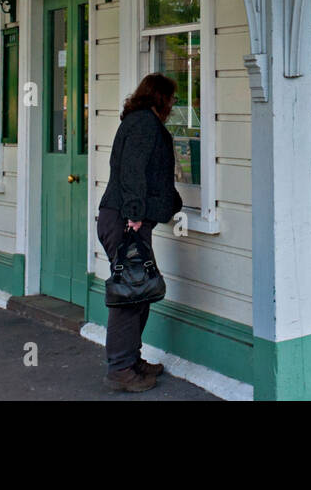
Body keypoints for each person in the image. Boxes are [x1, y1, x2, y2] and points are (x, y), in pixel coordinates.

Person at [97, 72, 184, 392]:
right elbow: (133, 170)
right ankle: (121, 368)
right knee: (130, 295)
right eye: (172, 97)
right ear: (160, 97)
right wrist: (134, 213)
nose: (173, 104)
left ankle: (131, 359)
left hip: (124, 219)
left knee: (138, 292)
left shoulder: (140, 121)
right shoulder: (144, 124)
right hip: (125, 221)